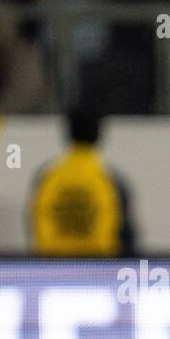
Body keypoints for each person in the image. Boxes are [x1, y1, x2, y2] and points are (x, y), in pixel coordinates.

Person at [28, 110, 137, 258]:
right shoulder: (110, 181)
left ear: (68, 133)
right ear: (99, 134)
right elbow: (126, 236)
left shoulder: (47, 178)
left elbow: (34, 226)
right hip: (99, 269)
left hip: (52, 267)